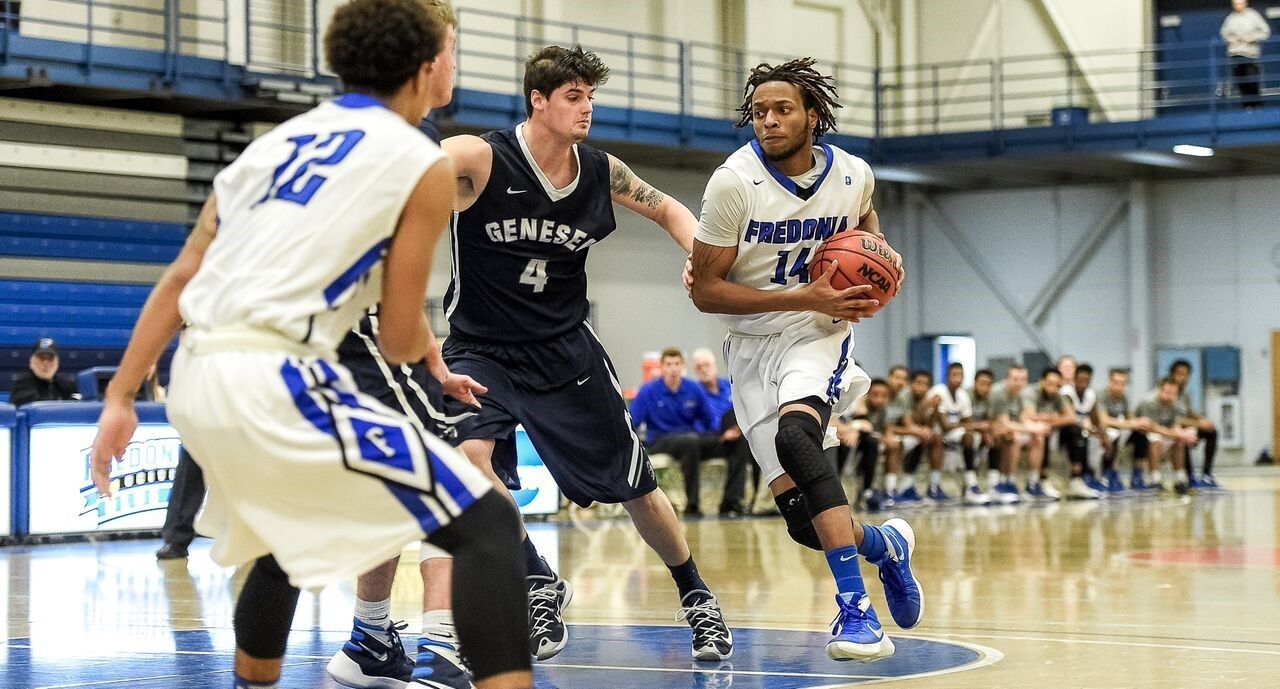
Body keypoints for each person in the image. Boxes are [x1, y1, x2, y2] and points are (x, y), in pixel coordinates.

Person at [88, 3, 533, 689]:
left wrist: (120, 395)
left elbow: (183, 274)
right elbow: (396, 331)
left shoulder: (272, 144)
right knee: (489, 525)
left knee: (285, 536)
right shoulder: (422, 160)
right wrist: (429, 352)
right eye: (452, 47)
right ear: (427, 66)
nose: (455, 59)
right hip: (274, 371)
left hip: (198, 373)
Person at [440, 45, 732, 662]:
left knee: (636, 487)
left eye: (591, 98)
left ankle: (696, 596)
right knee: (468, 461)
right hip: (481, 349)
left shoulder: (601, 171)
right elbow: (418, 171)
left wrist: (697, 257)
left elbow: (671, 207)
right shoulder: (479, 157)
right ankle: (538, 581)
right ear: (537, 101)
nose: (587, 109)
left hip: (564, 349)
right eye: (573, 97)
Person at [690, 57, 921, 662]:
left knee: (799, 436)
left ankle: (856, 613)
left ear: (813, 116)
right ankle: (884, 546)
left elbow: (872, 239)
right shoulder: (733, 183)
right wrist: (801, 291)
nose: (767, 121)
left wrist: (877, 278)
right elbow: (705, 291)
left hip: (819, 329)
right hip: (751, 343)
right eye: (759, 112)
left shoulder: (854, 175)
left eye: (782, 109)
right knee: (802, 521)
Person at [629, 347, 731, 518]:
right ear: (662, 366)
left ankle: (731, 504)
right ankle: (692, 506)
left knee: (734, 441)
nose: (673, 368)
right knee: (689, 441)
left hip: (690, 439)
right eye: (669, 364)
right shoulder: (648, 391)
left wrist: (721, 435)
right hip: (660, 440)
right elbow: (633, 421)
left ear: (682, 365)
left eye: (677, 364)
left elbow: (709, 420)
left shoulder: (692, 388)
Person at [691, 347, 751, 515]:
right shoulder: (694, 391)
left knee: (741, 442)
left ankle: (732, 502)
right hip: (708, 438)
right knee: (730, 417)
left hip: (735, 434)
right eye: (699, 367)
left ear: (714, 365)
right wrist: (722, 434)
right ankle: (731, 501)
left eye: (707, 365)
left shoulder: (728, 386)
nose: (704, 369)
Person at [1023, 368, 1098, 500]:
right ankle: (1040, 480)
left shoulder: (1057, 395)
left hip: (1052, 429)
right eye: (1050, 383)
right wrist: (1053, 416)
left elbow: (1071, 417)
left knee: (1076, 430)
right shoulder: (1030, 393)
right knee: (1042, 430)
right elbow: (1030, 416)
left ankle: (1076, 480)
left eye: (1057, 385)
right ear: (1041, 381)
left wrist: (1049, 420)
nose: (1053, 388)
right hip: (1028, 429)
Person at [927, 362, 989, 505]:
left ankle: (971, 485)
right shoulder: (939, 391)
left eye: (960, 375)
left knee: (976, 437)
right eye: (954, 375)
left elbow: (968, 421)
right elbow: (945, 426)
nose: (957, 379)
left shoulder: (962, 395)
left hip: (955, 433)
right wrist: (975, 425)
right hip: (938, 433)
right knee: (968, 437)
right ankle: (936, 487)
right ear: (947, 376)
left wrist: (979, 427)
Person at [989, 365, 1052, 502]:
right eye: (1015, 379)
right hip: (991, 431)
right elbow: (1004, 423)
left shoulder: (1022, 393)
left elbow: (1024, 418)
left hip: (1011, 430)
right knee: (1014, 436)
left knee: (1038, 437)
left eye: (1023, 379)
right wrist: (1033, 428)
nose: (1019, 383)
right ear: (1007, 378)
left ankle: (1033, 483)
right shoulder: (998, 392)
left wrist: (1037, 427)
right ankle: (1006, 482)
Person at [1133, 379, 1197, 494]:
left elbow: (1176, 424)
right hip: (1140, 438)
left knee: (1179, 441)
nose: (1170, 396)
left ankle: (1180, 479)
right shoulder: (1148, 402)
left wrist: (1185, 435)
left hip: (1165, 434)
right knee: (1155, 439)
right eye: (1167, 392)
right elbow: (1150, 427)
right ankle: (1155, 479)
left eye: (1173, 393)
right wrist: (1176, 434)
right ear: (1159, 390)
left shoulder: (1176, 404)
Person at [1168, 359, 1222, 489]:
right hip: (1169, 431)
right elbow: (1173, 419)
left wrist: (1203, 420)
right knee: (1184, 436)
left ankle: (1207, 475)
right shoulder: (1168, 391)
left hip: (1184, 428)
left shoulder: (1185, 394)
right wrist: (1197, 424)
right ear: (1172, 375)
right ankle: (1189, 476)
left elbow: (1187, 412)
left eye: (1186, 374)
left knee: (1211, 431)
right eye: (1179, 374)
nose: (1183, 378)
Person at [1097, 368, 1152, 492]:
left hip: (1119, 430)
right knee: (1113, 434)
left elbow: (1129, 417)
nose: (1119, 386)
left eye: (1123, 383)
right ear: (1109, 381)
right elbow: (1104, 420)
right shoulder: (1101, 396)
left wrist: (1139, 422)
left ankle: (1137, 475)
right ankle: (1109, 474)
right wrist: (1130, 424)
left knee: (1141, 432)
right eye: (1116, 382)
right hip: (1101, 432)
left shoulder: (1124, 398)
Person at [1221, 0, 1271, 109]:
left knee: (1252, 80)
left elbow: (1266, 31)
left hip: (1250, 54)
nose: (1238, 5)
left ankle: (1257, 106)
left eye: (1240, 3)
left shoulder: (1253, 15)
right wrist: (1230, 39)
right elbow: (1224, 33)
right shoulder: (1230, 18)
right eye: (1236, 3)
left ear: (1245, 3)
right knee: (1241, 82)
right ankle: (1246, 107)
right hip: (1235, 54)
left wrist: (1252, 38)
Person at [10, 338, 80, 406]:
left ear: (57, 363)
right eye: (41, 358)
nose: (45, 363)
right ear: (31, 362)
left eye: (50, 358)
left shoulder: (67, 385)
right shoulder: (21, 386)